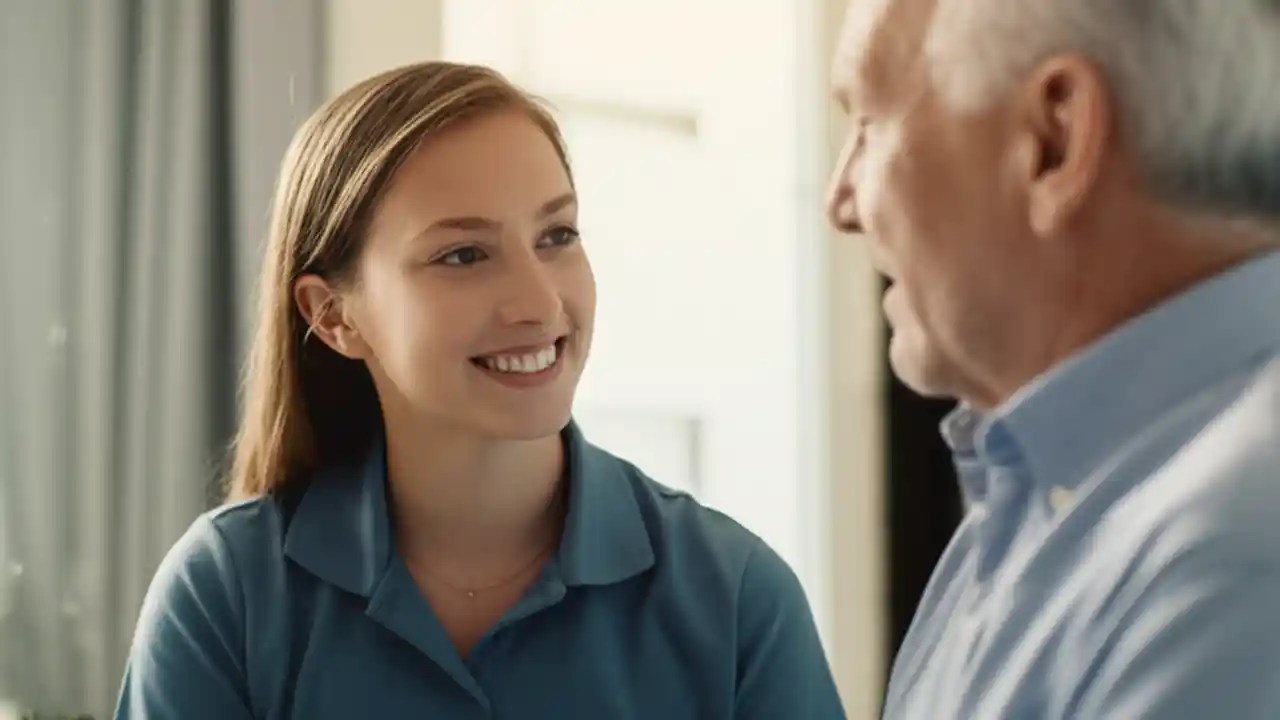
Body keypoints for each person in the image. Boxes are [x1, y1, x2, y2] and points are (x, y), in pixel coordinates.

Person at [115, 61, 844, 719]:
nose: (539, 302)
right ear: (334, 316)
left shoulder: (737, 598)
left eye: (557, 236)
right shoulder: (225, 596)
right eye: (463, 254)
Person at [825, 0, 1280, 716]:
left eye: (868, 125)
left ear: (1054, 141)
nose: (840, 201)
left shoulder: (1233, 559)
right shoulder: (1029, 496)